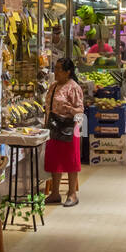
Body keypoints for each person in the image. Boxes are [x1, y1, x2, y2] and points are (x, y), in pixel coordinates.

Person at [44, 58, 85, 207]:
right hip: (54, 127)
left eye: (59, 69)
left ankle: (72, 193)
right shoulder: (53, 86)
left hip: (69, 128)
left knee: (71, 161)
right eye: (55, 68)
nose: (56, 72)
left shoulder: (73, 87)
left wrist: (69, 109)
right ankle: (55, 193)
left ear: (68, 72)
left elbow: (80, 111)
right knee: (55, 160)